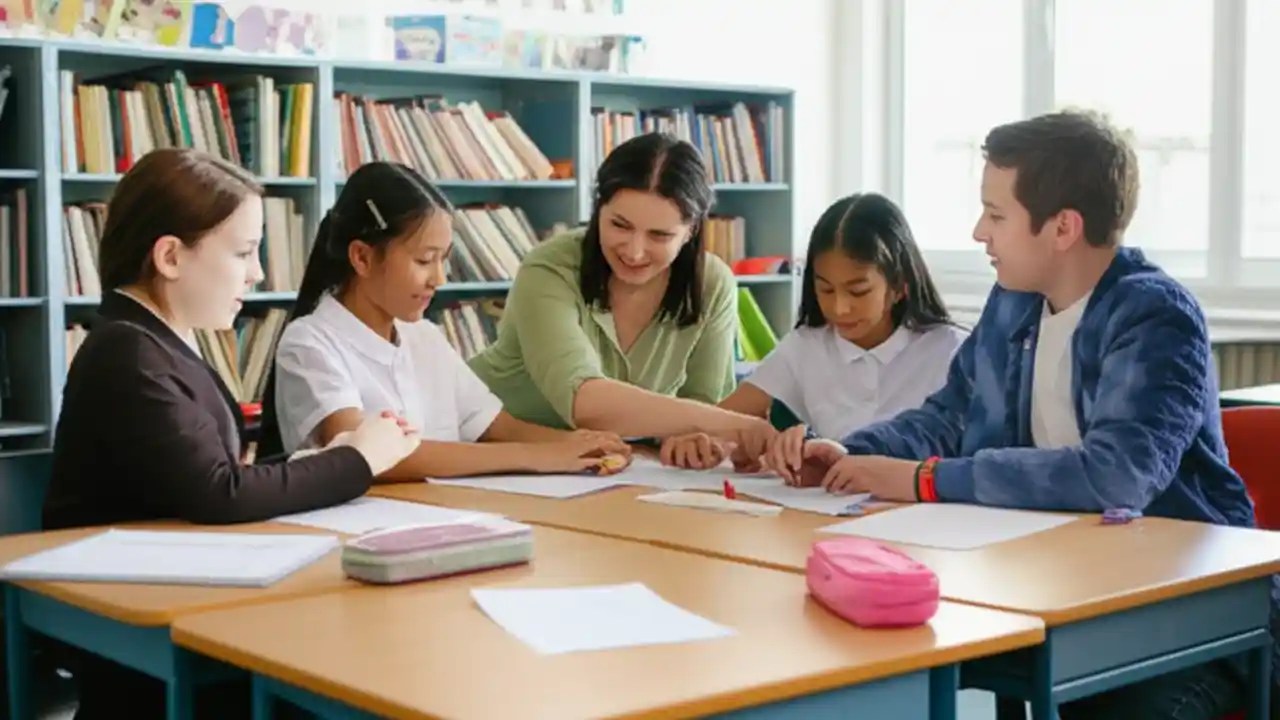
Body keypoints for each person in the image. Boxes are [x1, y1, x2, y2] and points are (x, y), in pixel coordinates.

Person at [780, 110, 1268, 720]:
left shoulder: (1152, 315)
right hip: (1060, 587)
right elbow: (948, 417)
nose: (980, 231)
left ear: (1062, 227)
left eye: (996, 213)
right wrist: (849, 453)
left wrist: (924, 479)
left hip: (1187, 623)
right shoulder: (1014, 301)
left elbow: (1117, 477)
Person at [43, 148, 418, 718]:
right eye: (244, 251)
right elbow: (219, 492)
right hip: (135, 638)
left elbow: (208, 476)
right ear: (170, 256)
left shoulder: (160, 337)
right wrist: (358, 460)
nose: (259, 272)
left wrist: (325, 456)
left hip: (180, 595)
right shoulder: (126, 350)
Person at [262, 162, 631, 478]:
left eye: (444, 260)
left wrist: (571, 443)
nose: (439, 279)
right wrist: (535, 456)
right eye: (424, 260)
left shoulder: (425, 336)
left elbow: (493, 424)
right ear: (361, 257)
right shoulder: (309, 343)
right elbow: (360, 456)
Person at [466, 132, 775, 457]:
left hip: (607, 466)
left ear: (691, 231)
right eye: (620, 225)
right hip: (495, 451)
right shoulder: (549, 267)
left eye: (659, 235)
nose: (634, 251)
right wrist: (730, 424)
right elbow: (584, 402)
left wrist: (691, 439)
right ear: (599, 209)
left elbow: (703, 402)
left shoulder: (713, 284)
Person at [659, 192, 967, 470]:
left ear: (900, 286)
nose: (840, 308)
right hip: (829, 510)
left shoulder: (952, 351)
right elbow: (724, 419)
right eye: (826, 289)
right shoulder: (806, 346)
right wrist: (700, 440)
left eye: (858, 291)